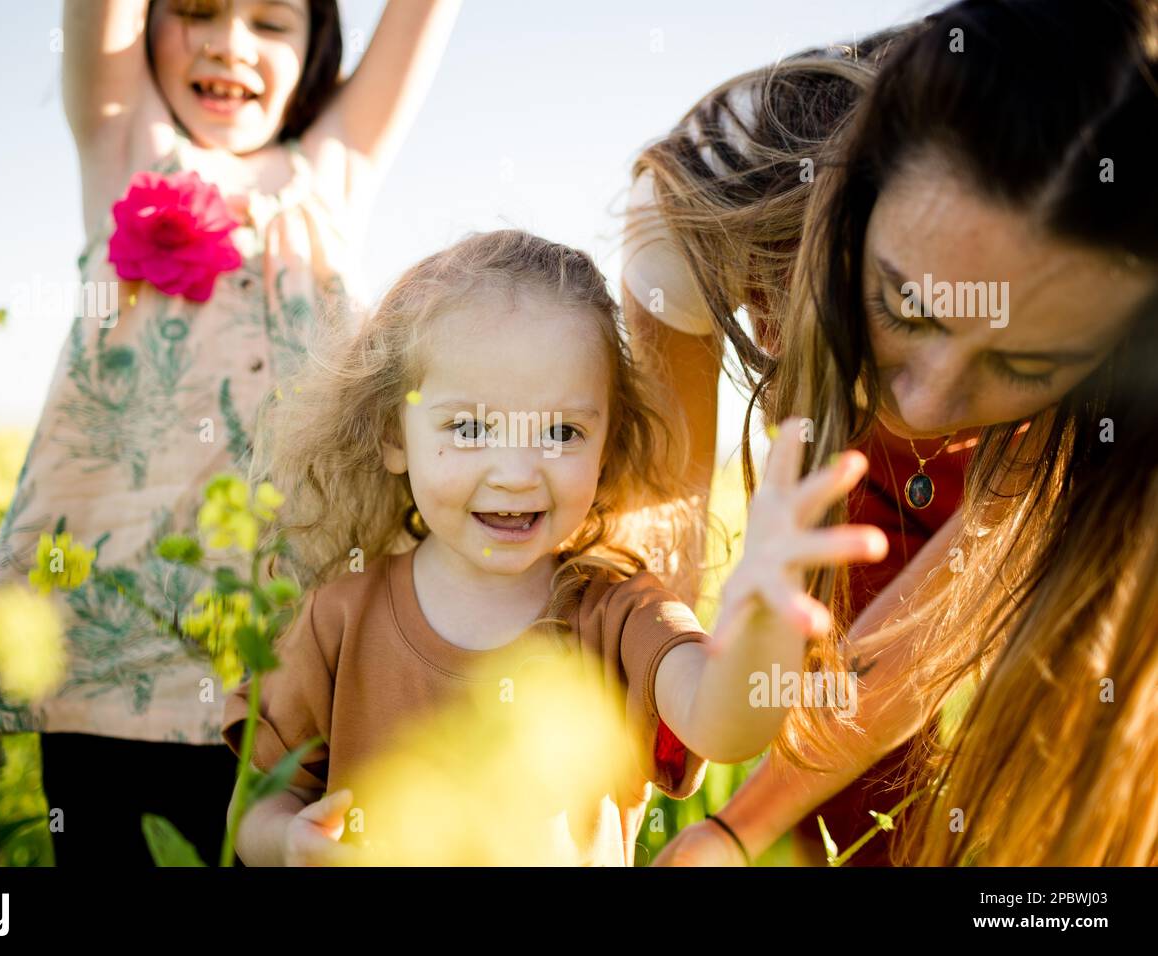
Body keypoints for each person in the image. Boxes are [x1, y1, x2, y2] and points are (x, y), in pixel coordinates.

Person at [626, 0, 1158, 865]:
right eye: (905, 306)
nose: (928, 407)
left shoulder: (1106, 314)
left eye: (1023, 363)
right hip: (825, 354)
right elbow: (655, 593)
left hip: (1028, 445)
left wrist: (733, 829)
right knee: (847, 756)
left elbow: (925, 638)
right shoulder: (703, 203)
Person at [0, 0, 461, 866]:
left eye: (271, 22)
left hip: (291, 657)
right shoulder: (126, 145)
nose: (229, 42)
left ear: (318, 48)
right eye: (197, 11)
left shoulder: (333, 171)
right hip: (113, 659)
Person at [220, 230, 887, 865]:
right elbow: (257, 804)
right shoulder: (337, 617)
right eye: (471, 427)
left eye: (562, 432)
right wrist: (286, 843)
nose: (516, 471)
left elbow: (727, 725)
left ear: (608, 443)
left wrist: (761, 625)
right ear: (395, 436)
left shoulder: (620, 613)